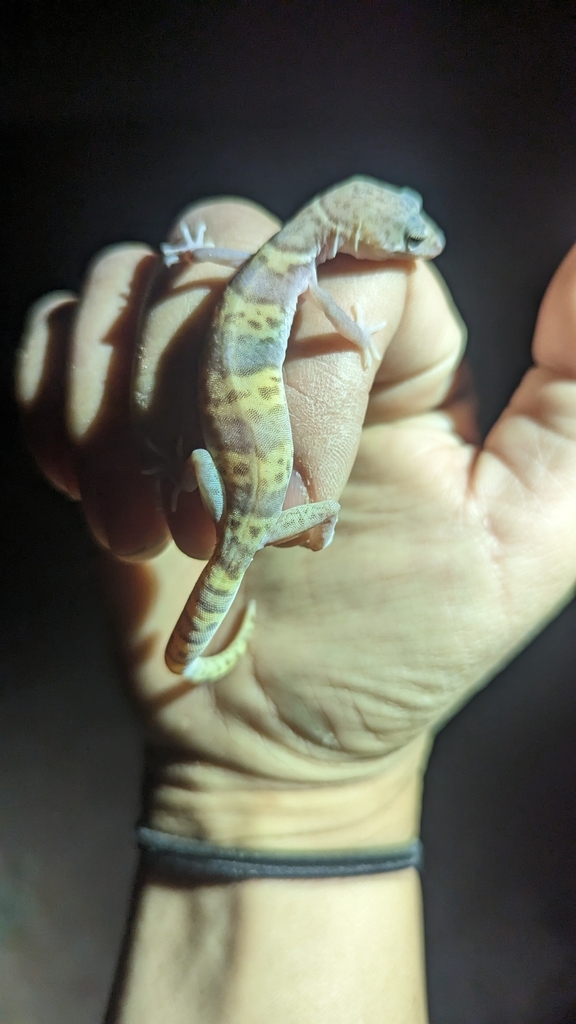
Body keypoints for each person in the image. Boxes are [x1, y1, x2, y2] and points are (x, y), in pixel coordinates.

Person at [15, 194, 576, 1023]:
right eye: (409, 235)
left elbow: (327, 326)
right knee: (253, 530)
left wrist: (300, 790)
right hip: (248, 510)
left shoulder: (288, 266)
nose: (425, 244)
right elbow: (338, 328)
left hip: (238, 502)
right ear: (355, 232)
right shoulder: (302, 284)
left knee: (247, 522)